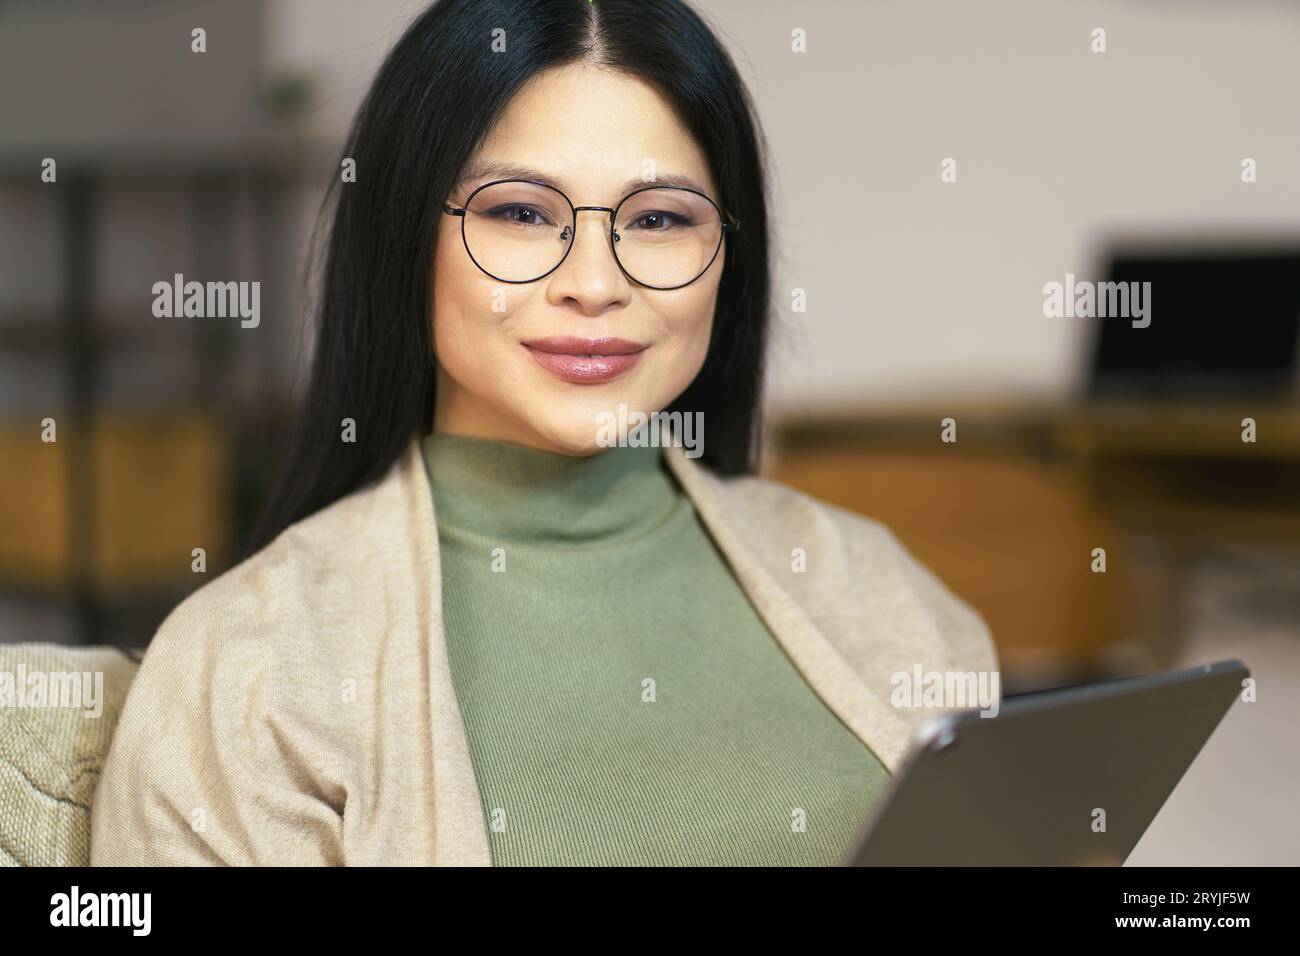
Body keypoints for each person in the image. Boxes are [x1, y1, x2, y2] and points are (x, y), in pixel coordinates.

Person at [91, 0, 997, 866]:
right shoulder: (246, 673)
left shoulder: (880, 588)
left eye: (659, 219)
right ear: (406, 236)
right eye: (520, 212)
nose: (594, 282)